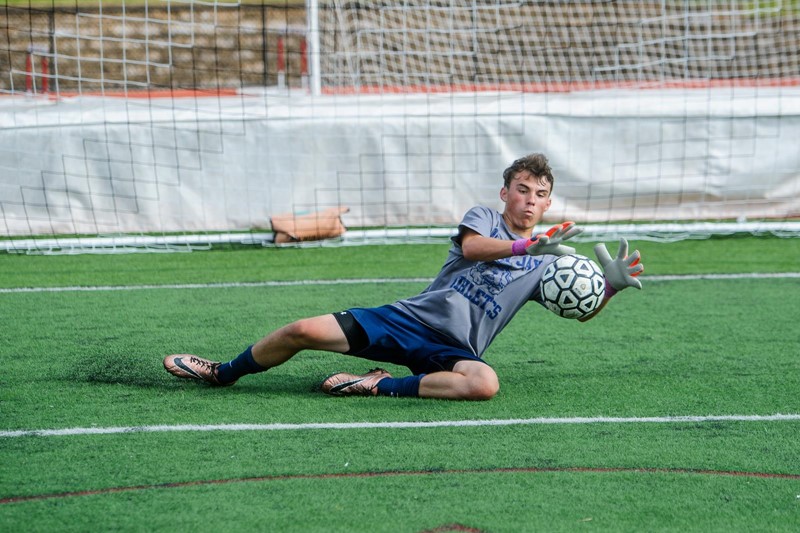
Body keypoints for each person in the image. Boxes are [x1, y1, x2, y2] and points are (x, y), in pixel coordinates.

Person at [163, 153, 643, 400]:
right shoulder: (484, 218)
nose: (530, 199)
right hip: (407, 320)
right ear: (505, 192)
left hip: (452, 351)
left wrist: (611, 288)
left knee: (484, 384)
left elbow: (578, 313)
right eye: (522, 189)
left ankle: (375, 385)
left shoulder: (547, 264)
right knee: (301, 331)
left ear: (548, 203)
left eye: (540, 194)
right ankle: (222, 373)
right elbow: (474, 249)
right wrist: (522, 245)